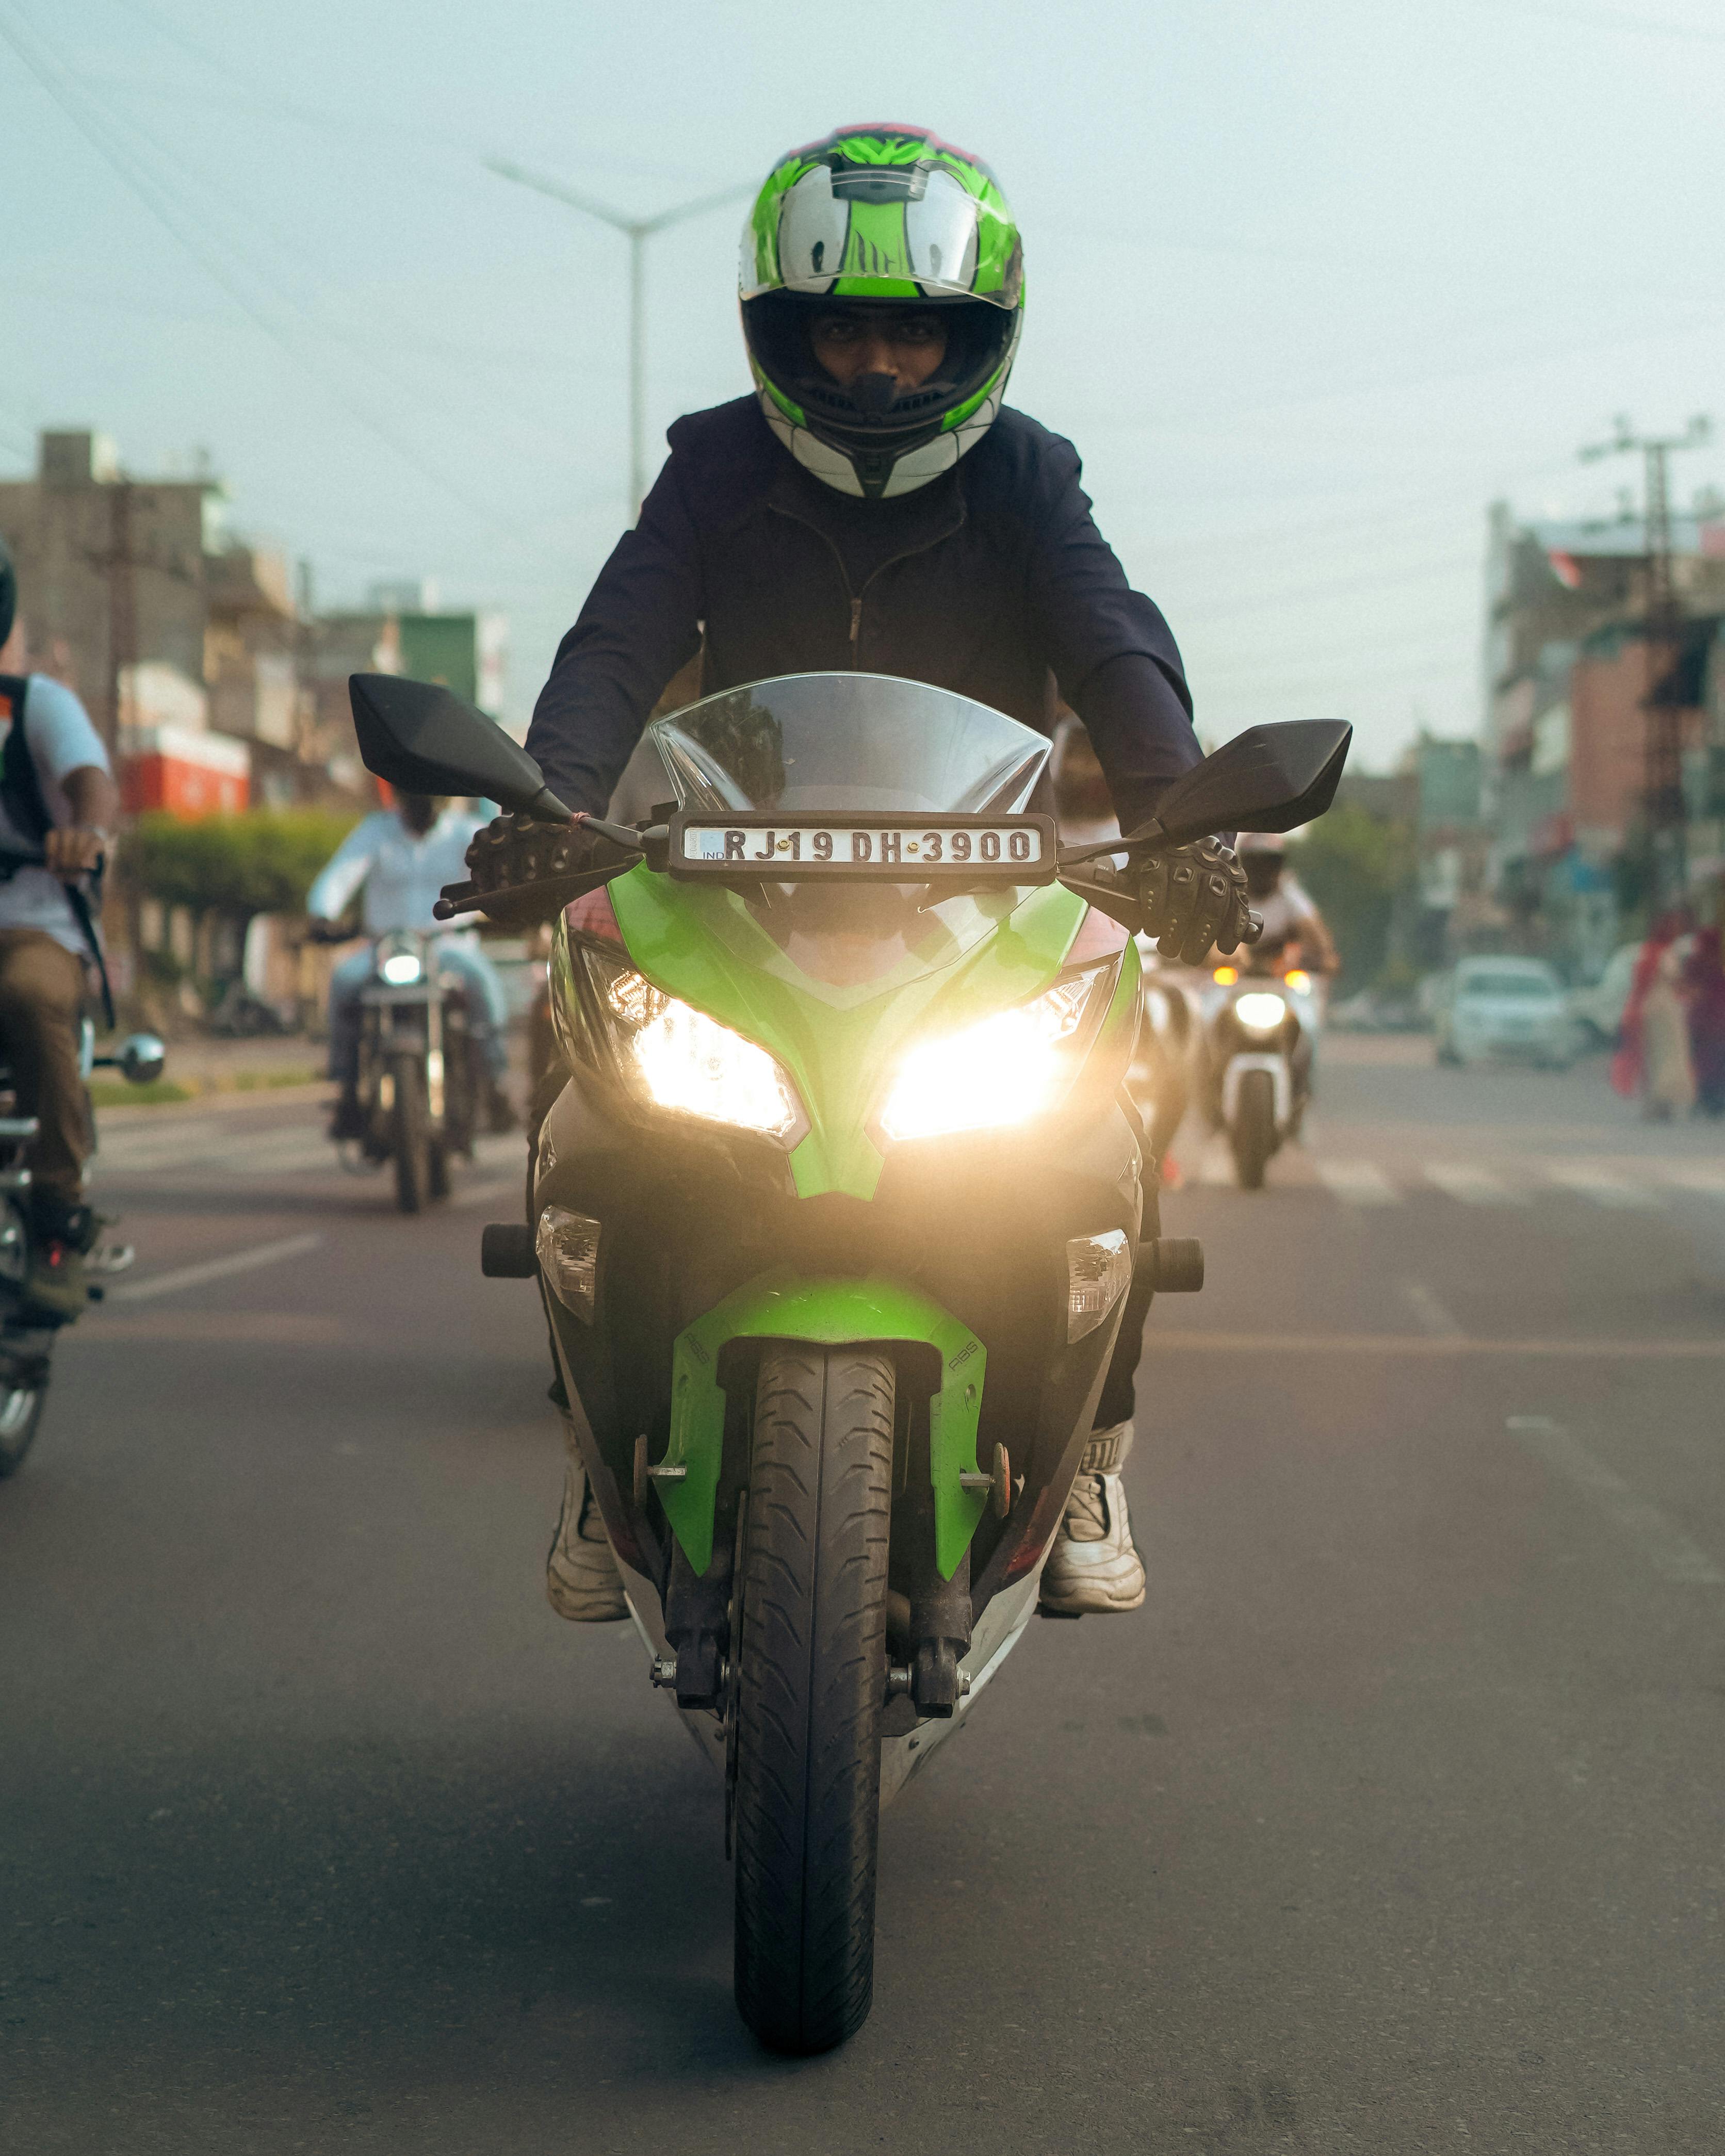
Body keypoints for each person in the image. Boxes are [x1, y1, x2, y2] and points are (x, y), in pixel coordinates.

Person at [466, 124, 1256, 1624]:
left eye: (913, 330)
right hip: (730, 877)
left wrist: (1181, 826)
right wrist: (549, 800)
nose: (880, 367)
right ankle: (598, 1440)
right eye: (843, 326)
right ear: (782, 329)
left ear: (975, 338)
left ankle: (1088, 1443)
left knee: (1102, 1138)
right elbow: (615, 645)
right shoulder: (713, 466)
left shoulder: (1028, 477)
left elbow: (1115, 647)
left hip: (983, 900)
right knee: (592, 1123)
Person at [0, 534, 120, 1319]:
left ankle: (56, 1209)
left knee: (31, 996)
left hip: (36, 926)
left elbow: (92, 783)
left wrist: (87, 831)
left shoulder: (36, 704)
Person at [305, 791, 514, 1139]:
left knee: (484, 984)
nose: (423, 808)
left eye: (431, 799)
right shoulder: (376, 831)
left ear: (443, 801)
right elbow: (339, 875)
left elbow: (500, 866)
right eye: (415, 798)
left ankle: (496, 1084)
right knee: (343, 981)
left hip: (449, 947)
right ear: (402, 797)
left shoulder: (466, 833)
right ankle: (346, 1091)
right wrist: (322, 915)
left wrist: (508, 899)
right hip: (386, 950)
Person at [1233, 831, 1340, 976]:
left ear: (1279, 866)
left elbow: (1315, 934)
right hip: (1236, 977)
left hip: (1281, 977)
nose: (1262, 870)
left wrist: (1325, 957)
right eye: (1255, 863)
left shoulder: (1289, 893)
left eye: (1269, 863)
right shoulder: (1231, 895)